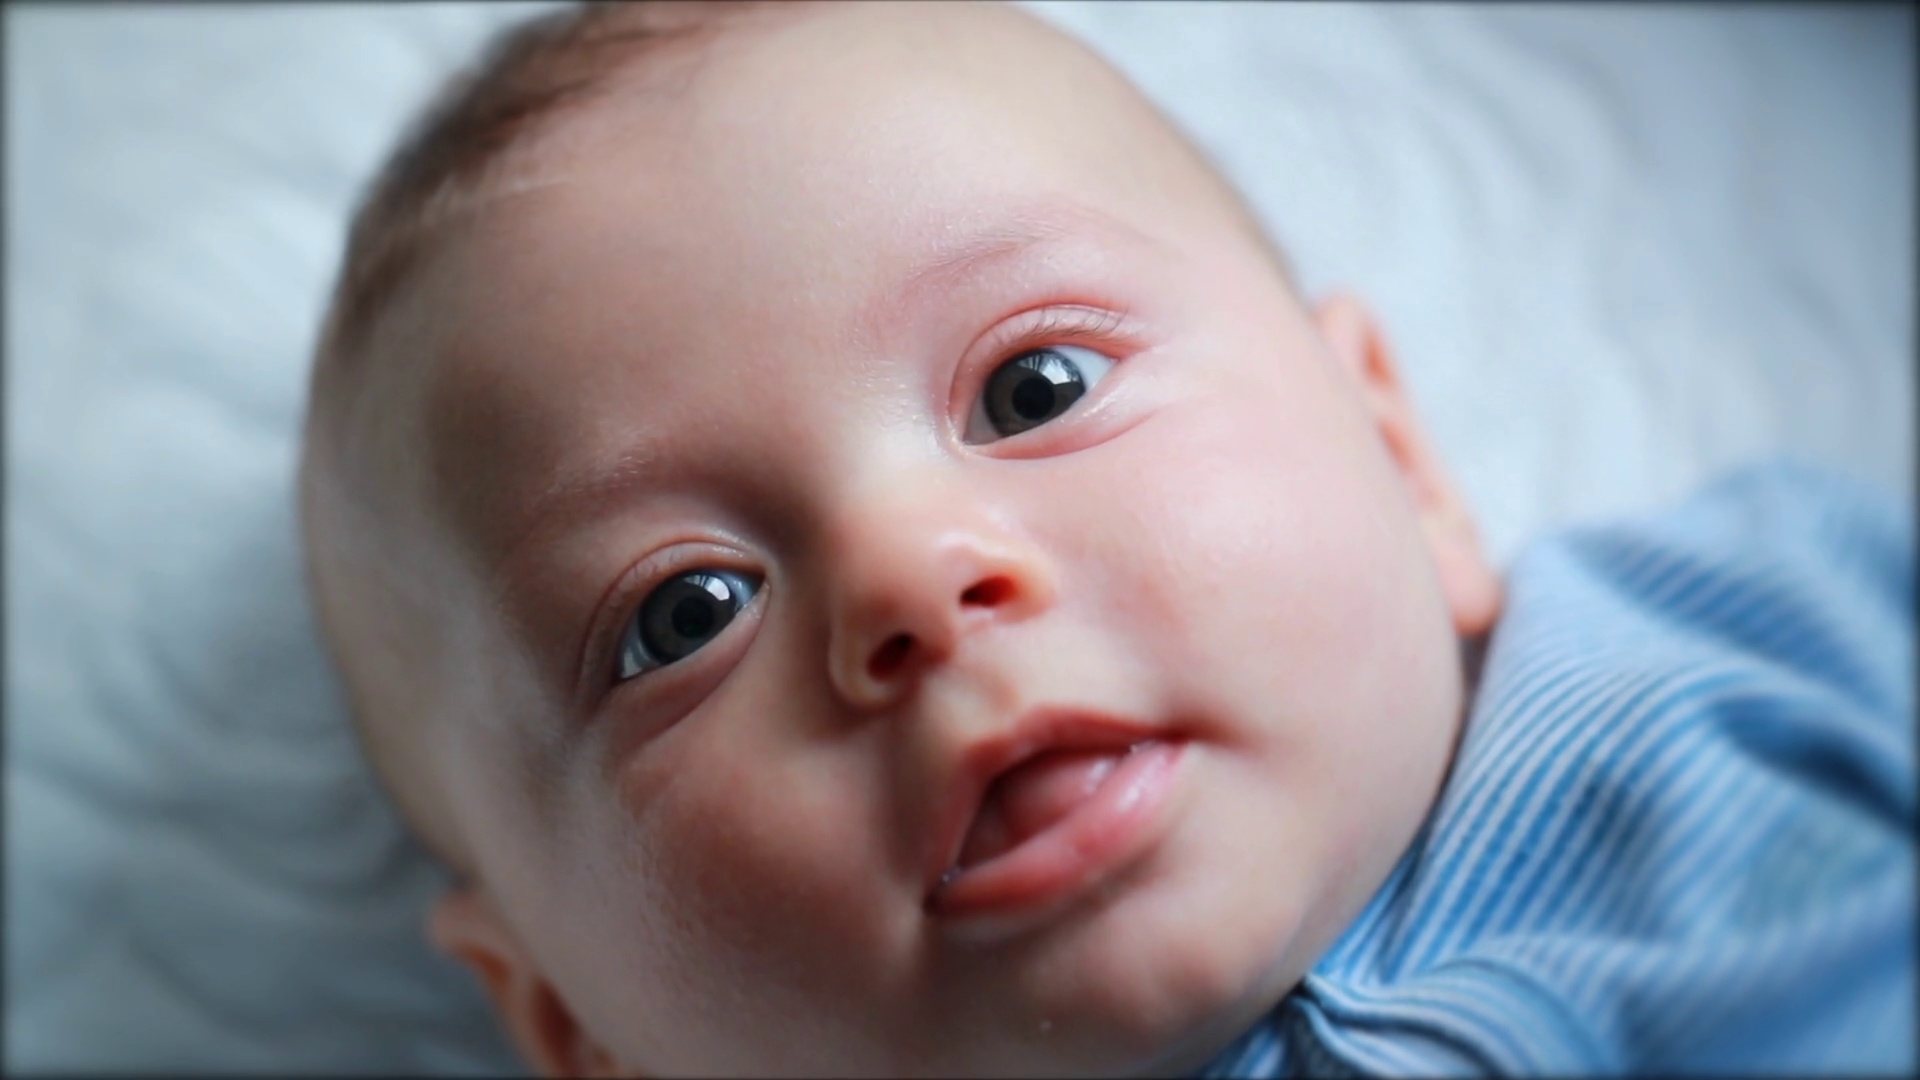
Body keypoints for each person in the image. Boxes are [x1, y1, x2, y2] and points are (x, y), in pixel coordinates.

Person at [297, 2, 1914, 1075]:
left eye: (1034, 385)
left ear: (1405, 459)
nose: (911, 581)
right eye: (683, 614)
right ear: (574, 1030)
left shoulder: (1757, 626)